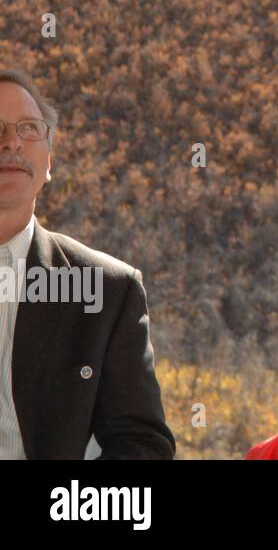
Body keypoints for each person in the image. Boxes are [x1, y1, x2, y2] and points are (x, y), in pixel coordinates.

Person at [0, 68, 174, 459]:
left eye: (29, 128)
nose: (10, 142)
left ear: (49, 161)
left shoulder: (109, 291)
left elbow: (142, 447)